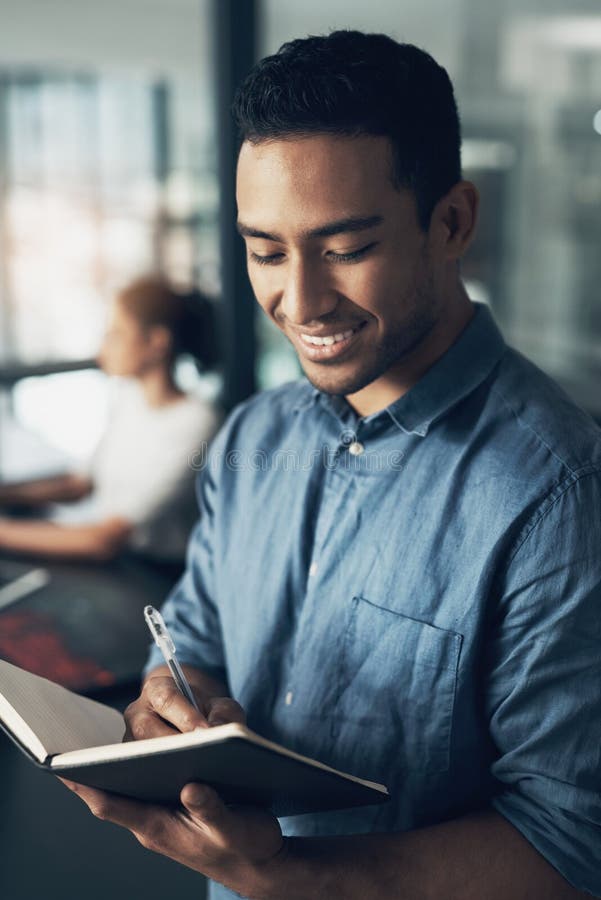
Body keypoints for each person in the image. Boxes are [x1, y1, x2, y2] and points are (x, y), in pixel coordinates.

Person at [62, 31, 601, 899]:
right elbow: (193, 639)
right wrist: (175, 696)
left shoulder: (557, 493)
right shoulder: (252, 438)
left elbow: (572, 841)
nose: (301, 301)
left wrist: (291, 879)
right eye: (266, 252)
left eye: (346, 249)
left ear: (452, 221)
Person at [0, 275, 220, 563]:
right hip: (124, 565)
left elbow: (105, 540)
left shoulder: (197, 423)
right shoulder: (129, 397)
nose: (103, 349)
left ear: (156, 342)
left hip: (161, 576)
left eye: (115, 334)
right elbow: (79, 484)